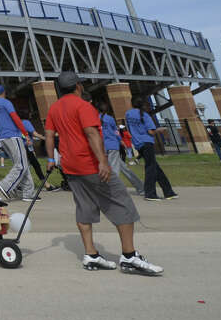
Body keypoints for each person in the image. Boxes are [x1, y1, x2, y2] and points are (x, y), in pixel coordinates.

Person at [44, 71, 163, 275]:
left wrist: (50, 159)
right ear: (78, 86)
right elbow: (91, 133)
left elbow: (48, 135)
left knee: (84, 206)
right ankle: (129, 256)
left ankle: (91, 254)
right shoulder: (83, 106)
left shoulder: (54, 108)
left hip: (70, 166)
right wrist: (103, 162)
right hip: (89, 164)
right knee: (122, 203)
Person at [0, 85, 37, 201]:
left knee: (21, 163)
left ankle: (27, 193)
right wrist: (25, 134)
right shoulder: (6, 103)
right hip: (12, 135)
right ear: (4, 92)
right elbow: (15, 118)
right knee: (21, 165)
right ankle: (6, 185)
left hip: (2, 136)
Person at [125, 98, 177, 201]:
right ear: (143, 106)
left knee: (155, 168)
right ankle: (150, 193)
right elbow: (151, 132)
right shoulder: (144, 115)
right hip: (147, 142)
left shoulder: (128, 114)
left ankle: (168, 192)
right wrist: (160, 130)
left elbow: (129, 128)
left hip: (138, 143)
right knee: (151, 168)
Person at [96, 101, 143, 195]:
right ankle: (139, 188)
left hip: (103, 147)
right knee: (118, 169)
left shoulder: (95, 118)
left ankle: (138, 187)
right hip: (113, 146)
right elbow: (116, 132)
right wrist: (121, 141)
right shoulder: (110, 119)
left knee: (118, 168)